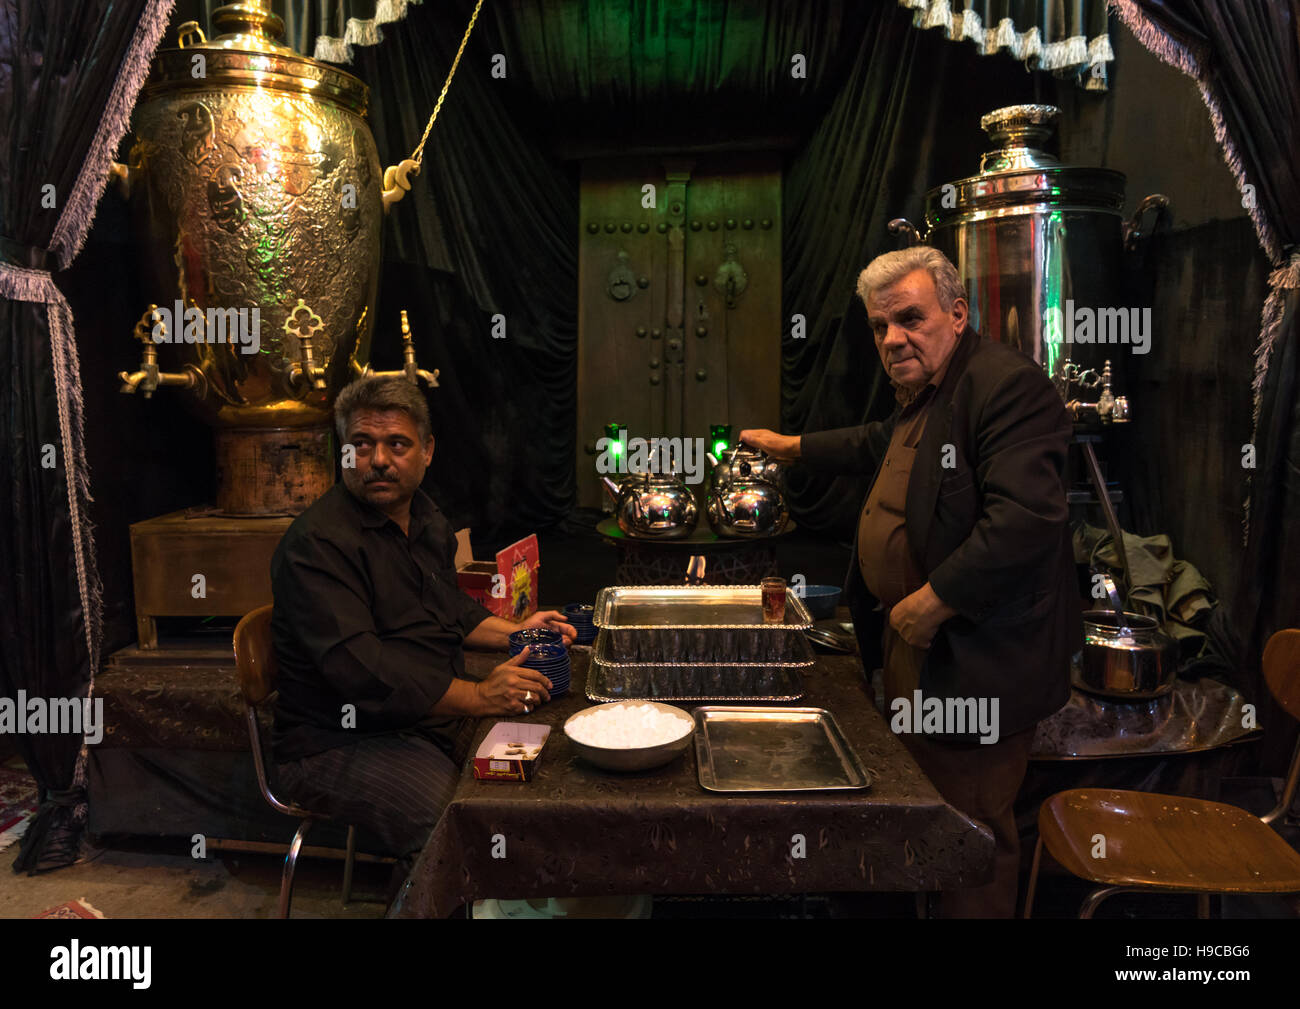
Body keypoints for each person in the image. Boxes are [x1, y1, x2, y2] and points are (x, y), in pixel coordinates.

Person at [741, 246, 1079, 918]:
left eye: (910, 318)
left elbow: (1028, 515)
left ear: (957, 314)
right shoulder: (927, 394)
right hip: (915, 646)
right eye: (879, 326)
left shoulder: (1003, 385)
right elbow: (874, 443)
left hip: (976, 657)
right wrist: (791, 446)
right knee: (928, 812)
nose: (894, 338)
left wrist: (939, 598)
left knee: (971, 830)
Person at [270, 375, 575, 901]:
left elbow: (449, 609)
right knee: (451, 824)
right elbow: (362, 670)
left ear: (427, 451)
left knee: (549, 758)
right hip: (338, 739)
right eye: (361, 446)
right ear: (342, 455)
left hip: (424, 715)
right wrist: (478, 696)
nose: (379, 460)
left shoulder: (425, 519)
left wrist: (515, 632)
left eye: (397, 444)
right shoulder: (317, 546)